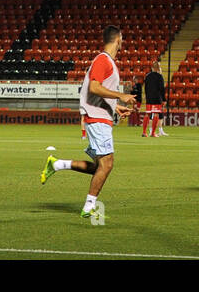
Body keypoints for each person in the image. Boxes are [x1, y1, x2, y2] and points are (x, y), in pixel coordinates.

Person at [40, 25, 137, 221]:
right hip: (97, 120)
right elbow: (94, 87)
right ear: (118, 39)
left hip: (101, 118)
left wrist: (115, 107)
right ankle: (89, 207)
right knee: (107, 165)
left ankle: (57, 164)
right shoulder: (103, 60)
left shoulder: (107, 61)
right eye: (122, 39)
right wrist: (121, 95)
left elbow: (99, 92)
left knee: (99, 166)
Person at [142, 60, 167, 137]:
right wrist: (164, 99)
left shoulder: (147, 76)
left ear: (152, 67)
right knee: (156, 114)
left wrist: (147, 96)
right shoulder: (160, 76)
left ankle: (144, 132)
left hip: (149, 97)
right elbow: (162, 89)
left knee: (147, 114)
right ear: (158, 68)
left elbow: (145, 88)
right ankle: (153, 133)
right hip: (157, 97)